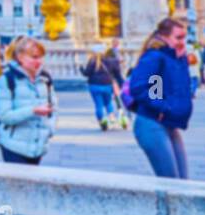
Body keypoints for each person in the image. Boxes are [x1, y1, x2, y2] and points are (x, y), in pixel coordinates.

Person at [128, 17, 193, 179]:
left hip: (169, 122)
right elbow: (146, 88)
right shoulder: (155, 57)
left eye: (184, 37)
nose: (182, 42)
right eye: (178, 37)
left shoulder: (173, 58)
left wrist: (180, 60)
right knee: (170, 182)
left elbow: (181, 87)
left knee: (182, 182)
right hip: (152, 123)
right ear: (164, 37)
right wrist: (162, 108)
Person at [0, 37, 55, 165]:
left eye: (41, 57)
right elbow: (4, 116)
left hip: (38, 147)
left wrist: (50, 129)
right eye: (34, 57)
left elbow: (53, 108)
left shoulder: (45, 79)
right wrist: (33, 111)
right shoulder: (7, 80)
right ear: (20, 57)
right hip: (13, 146)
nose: (39, 61)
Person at [80, 37, 124, 130]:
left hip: (94, 86)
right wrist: (122, 84)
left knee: (98, 105)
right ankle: (111, 118)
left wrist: (81, 69)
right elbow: (118, 75)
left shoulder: (92, 61)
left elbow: (87, 73)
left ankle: (102, 121)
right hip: (107, 85)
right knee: (108, 102)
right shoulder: (111, 61)